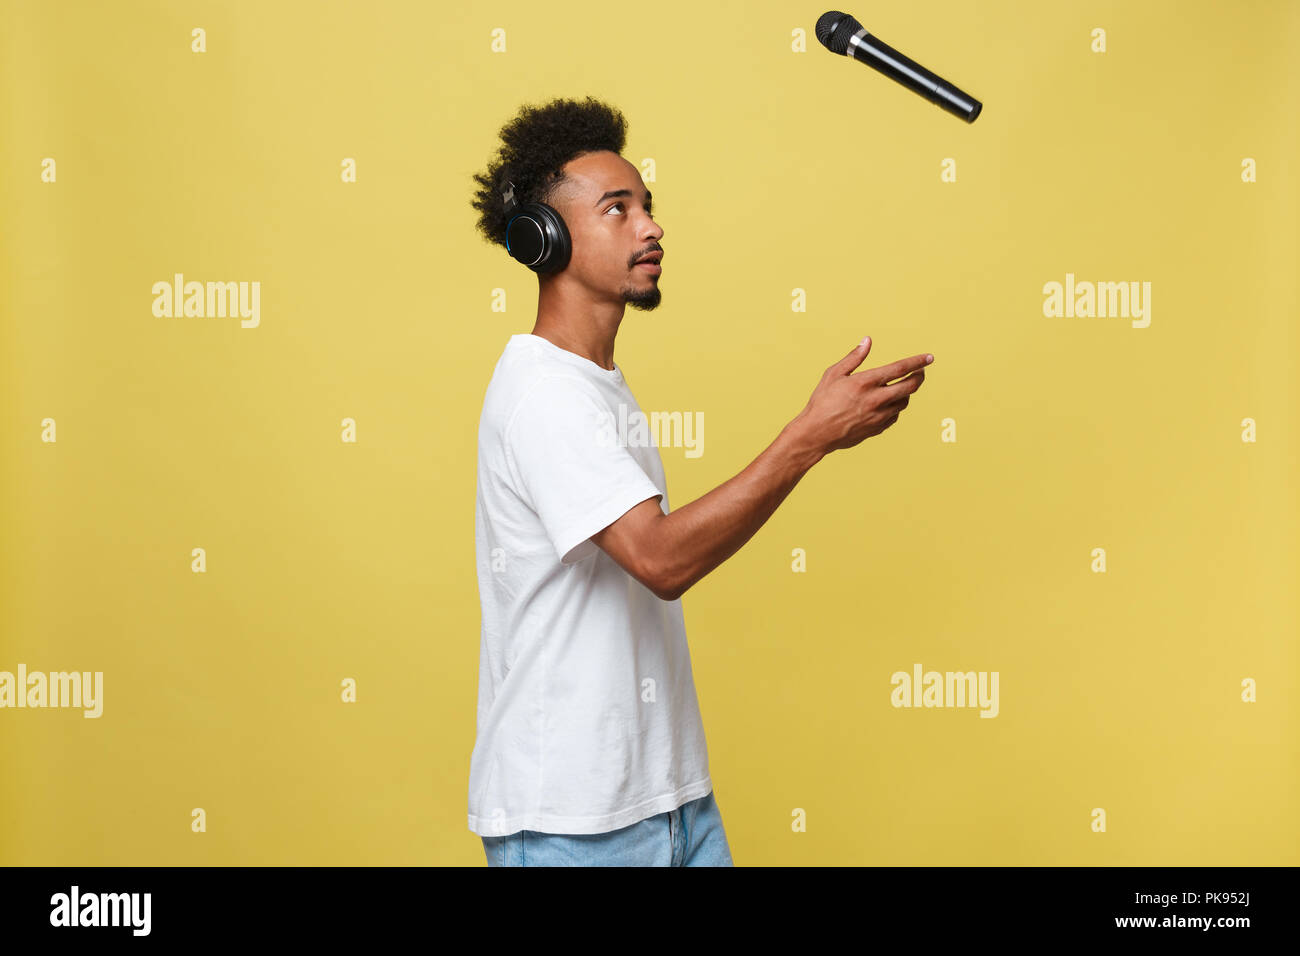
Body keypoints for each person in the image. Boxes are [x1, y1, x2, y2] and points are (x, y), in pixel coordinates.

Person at [467, 96, 933, 866]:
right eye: (618, 210)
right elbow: (660, 561)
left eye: (648, 206)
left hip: (670, 801)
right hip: (575, 825)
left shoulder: (592, 383)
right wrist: (808, 437)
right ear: (543, 239)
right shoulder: (542, 393)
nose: (651, 227)